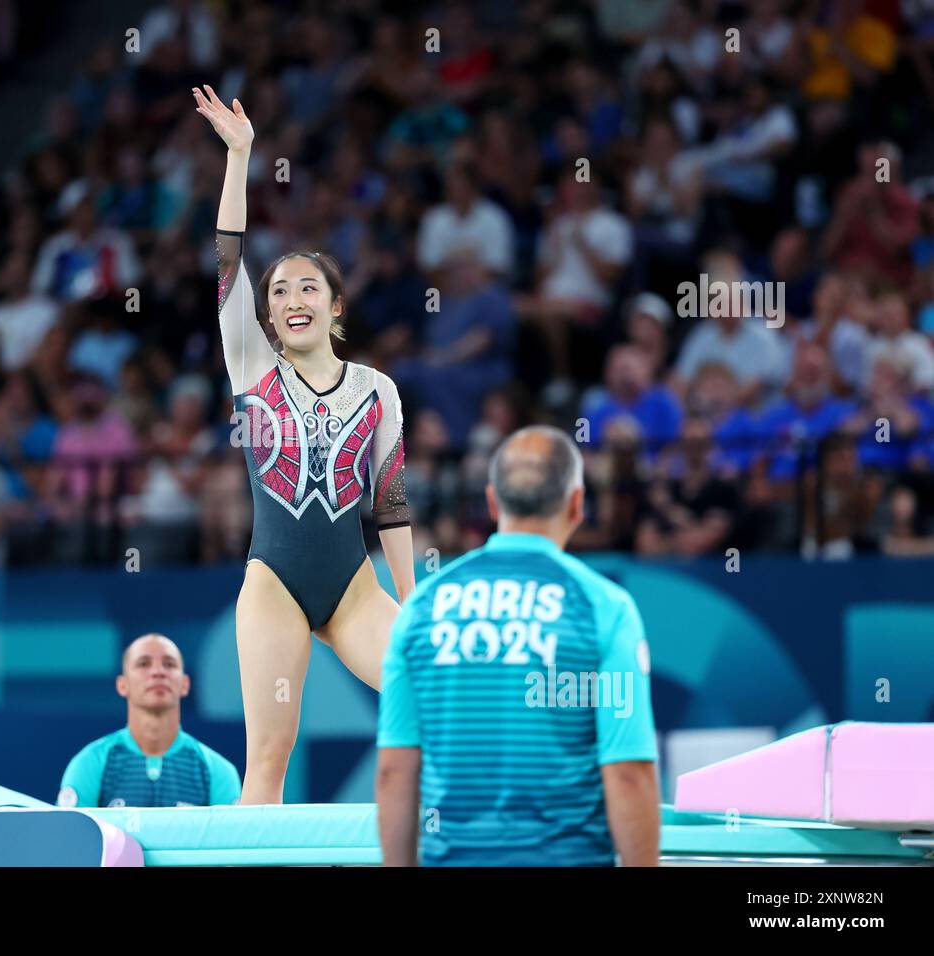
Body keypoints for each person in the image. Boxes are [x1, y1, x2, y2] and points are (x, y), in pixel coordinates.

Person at [193, 84, 415, 804]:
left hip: (353, 587)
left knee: (432, 690)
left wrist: (407, 604)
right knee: (270, 758)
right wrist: (241, 157)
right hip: (276, 585)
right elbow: (229, 262)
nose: (291, 299)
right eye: (280, 290)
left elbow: (392, 505)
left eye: (307, 288)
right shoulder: (253, 370)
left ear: (335, 306)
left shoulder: (378, 390)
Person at [377, 426, 659, 866]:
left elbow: (395, 772)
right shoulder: (605, 608)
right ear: (577, 505)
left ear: (492, 502)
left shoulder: (421, 609)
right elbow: (627, 773)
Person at [56, 633, 240, 808]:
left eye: (169, 664)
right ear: (122, 685)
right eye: (144, 664)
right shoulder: (90, 763)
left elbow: (233, 839)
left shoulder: (217, 771)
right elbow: (72, 837)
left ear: (185, 684)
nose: (158, 672)